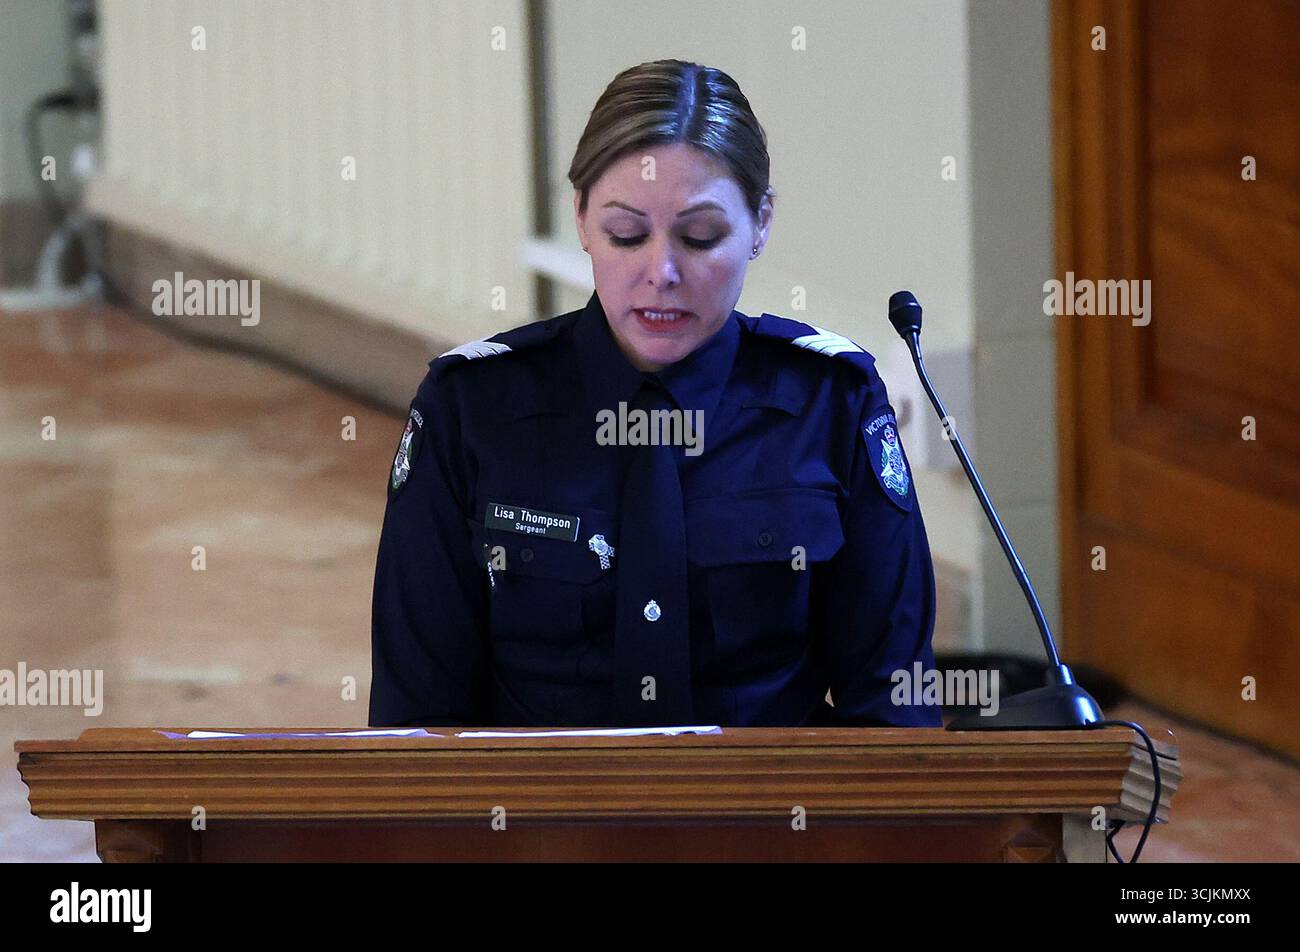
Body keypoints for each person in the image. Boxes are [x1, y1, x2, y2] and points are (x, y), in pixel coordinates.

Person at [369, 59, 941, 729]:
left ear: (760, 221)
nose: (661, 273)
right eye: (626, 235)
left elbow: (893, 710)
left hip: (769, 823)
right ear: (581, 218)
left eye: (701, 237)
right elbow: (417, 721)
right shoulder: (472, 407)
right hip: (536, 823)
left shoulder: (828, 403)